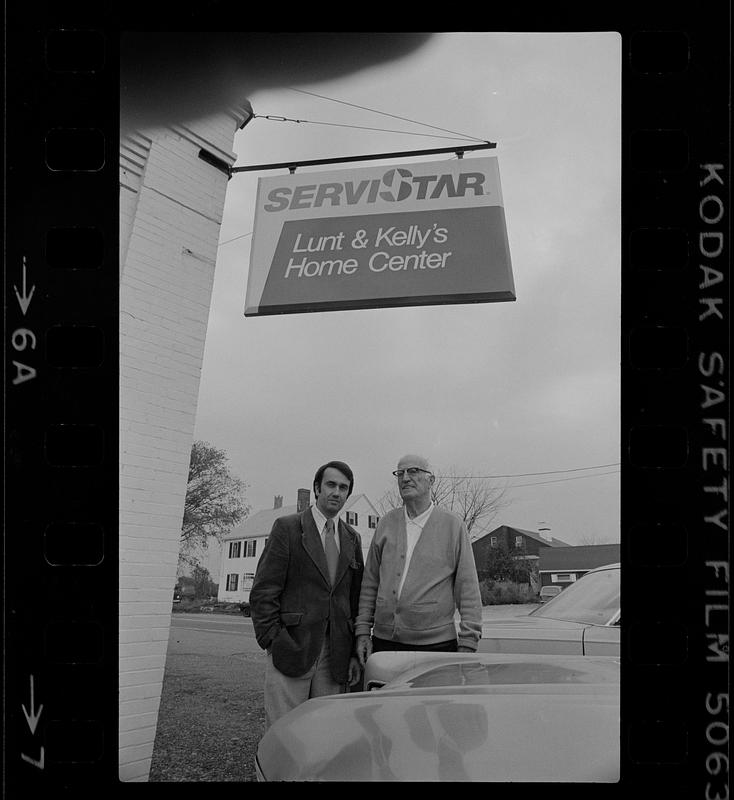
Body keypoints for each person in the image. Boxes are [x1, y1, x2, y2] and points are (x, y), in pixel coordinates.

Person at [249, 461, 364, 727]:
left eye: (343, 488)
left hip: (334, 657)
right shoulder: (288, 528)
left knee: (323, 734)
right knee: (284, 734)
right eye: (331, 485)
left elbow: (356, 598)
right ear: (317, 488)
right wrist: (274, 640)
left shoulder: (351, 538)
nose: (336, 492)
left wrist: (353, 654)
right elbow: (263, 592)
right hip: (292, 649)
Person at [355, 454, 482, 666]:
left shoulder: (453, 526)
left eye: (413, 471)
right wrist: (362, 632)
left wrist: (468, 641)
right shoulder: (386, 523)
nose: (405, 478)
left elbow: (467, 588)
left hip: (436, 647)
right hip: (384, 644)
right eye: (400, 473)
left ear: (431, 480)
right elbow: (370, 584)